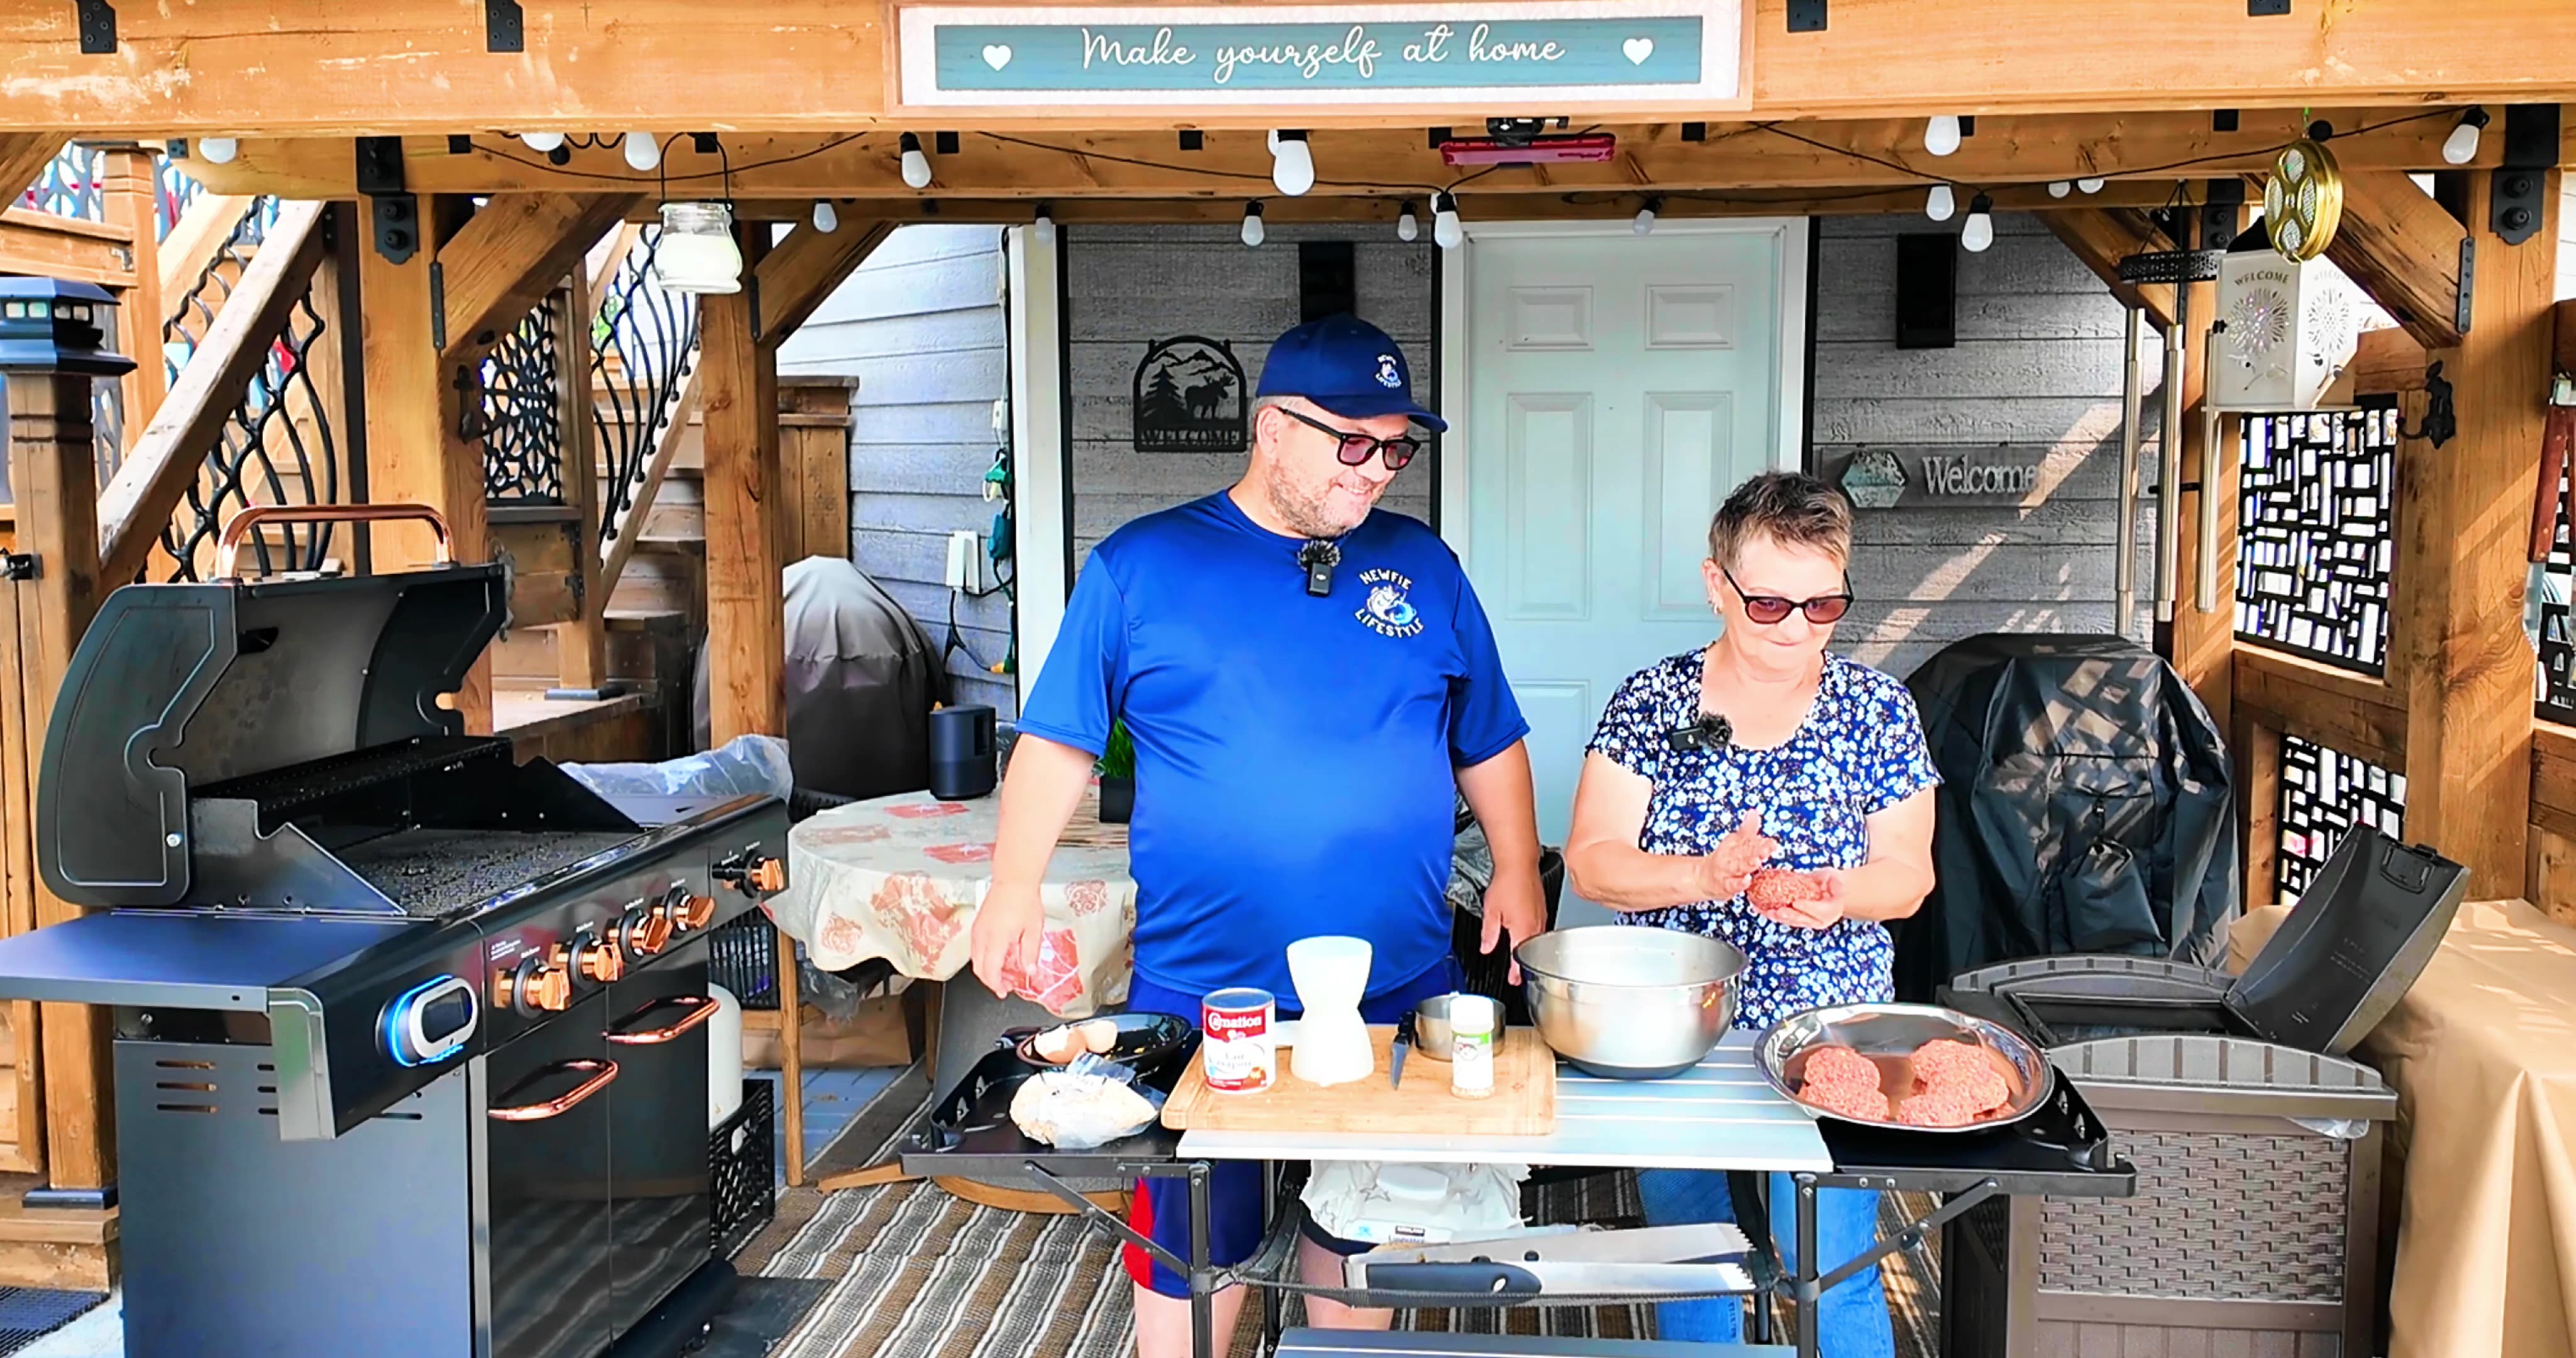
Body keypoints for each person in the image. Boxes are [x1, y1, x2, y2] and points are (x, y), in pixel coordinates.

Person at [970, 313, 1550, 1358]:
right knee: (1193, 1231)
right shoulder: (1142, 566)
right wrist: (1012, 888)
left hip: (1395, 975)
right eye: (1353, 441)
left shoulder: (1424, 567)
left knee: (1365, 1214)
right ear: (1272, 428)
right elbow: (1057, 744)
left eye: (1397, 447)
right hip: (1206, 980)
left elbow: (1489, 734)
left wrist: (1516, 867)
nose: (1378, 470)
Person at [1562, 471, 1938, 1357]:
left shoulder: (1875, 709)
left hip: (1831, 1029)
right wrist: (1704, 874)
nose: (1798, 629)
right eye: (1769, 604)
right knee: (1693, 1254)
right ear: (1715, 585)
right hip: (1672, 1022)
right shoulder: (1653, 703)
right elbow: (1593, 861)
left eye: (1823, 604)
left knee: (1829, 1257)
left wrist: (1836, 894)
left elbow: (1909, 875)